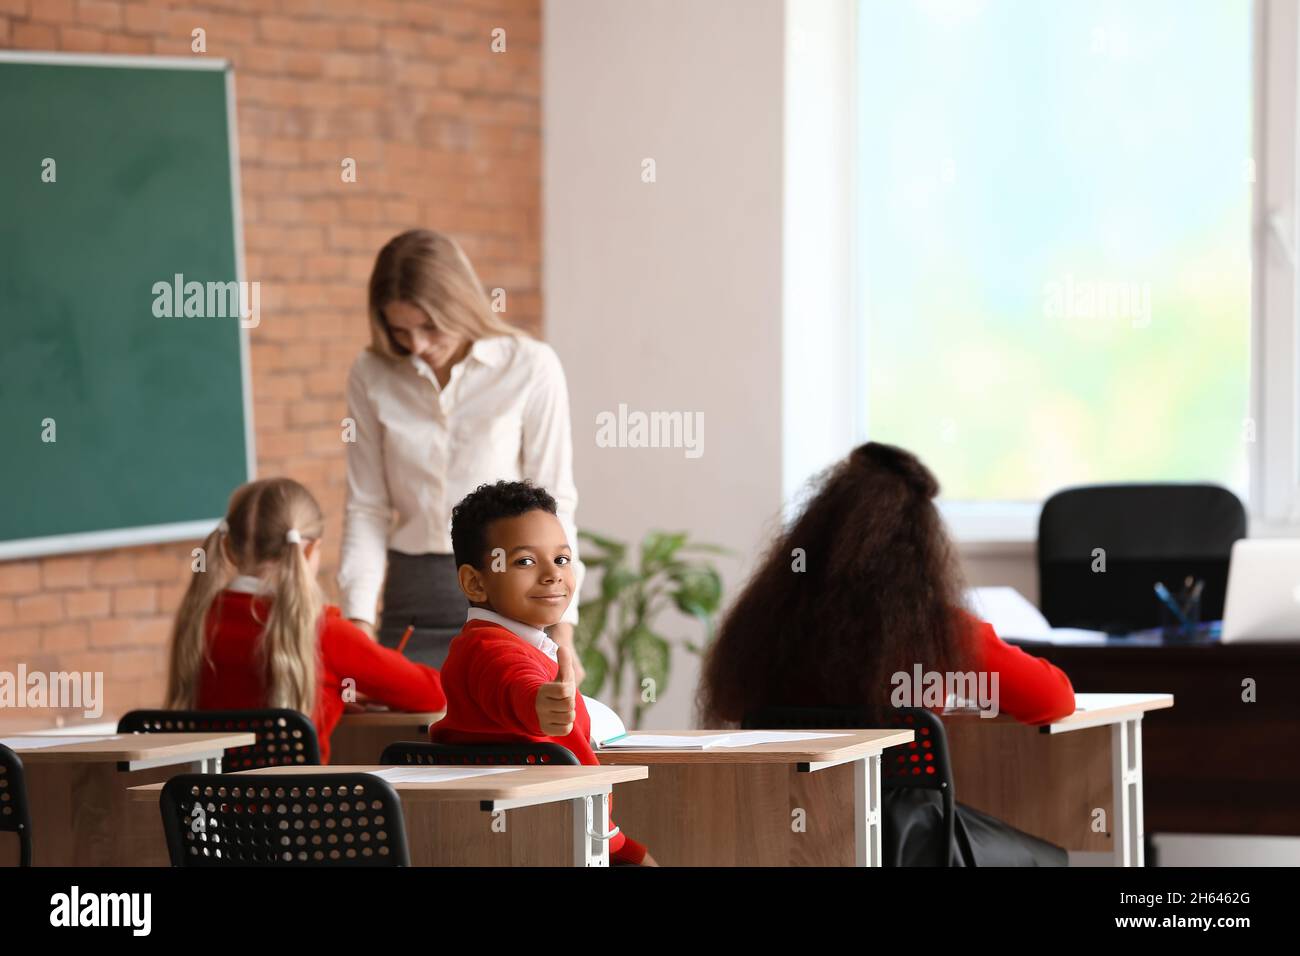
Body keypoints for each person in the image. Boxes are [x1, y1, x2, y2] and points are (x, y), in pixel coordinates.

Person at [698, 441, 1075, 865]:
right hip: (901, 832)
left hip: (783, 827)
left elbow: (736, 709)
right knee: (1049, 860)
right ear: (922, 551)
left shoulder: (765, 621)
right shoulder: (937, 628)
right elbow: (1053, 699)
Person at [338, 229, 585, 672]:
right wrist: (358, 622)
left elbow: (555, 503)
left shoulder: (530, 366)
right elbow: (367, 507)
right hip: (410, 597)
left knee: (504, 734)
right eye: (400, 331)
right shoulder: (371, 373)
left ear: (461, 305)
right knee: (403, 738)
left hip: (509, 590)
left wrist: (563, 630)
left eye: (430, 326)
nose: (417, 346)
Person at [430, 480, 656, 865]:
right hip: (552, 841)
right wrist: (538, 704)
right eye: (525, 561)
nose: (552, 574)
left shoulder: (505, 644)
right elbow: (511, 686)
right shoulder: (488, 650)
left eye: (562, 560)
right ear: (475, 582)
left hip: (534, 838)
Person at [165, 477, 446, 763]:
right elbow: (435, 693)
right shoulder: (325, 631)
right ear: (310, 550)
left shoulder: (197, 620)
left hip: (204, 805)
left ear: (227, 548)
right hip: (302, 807)